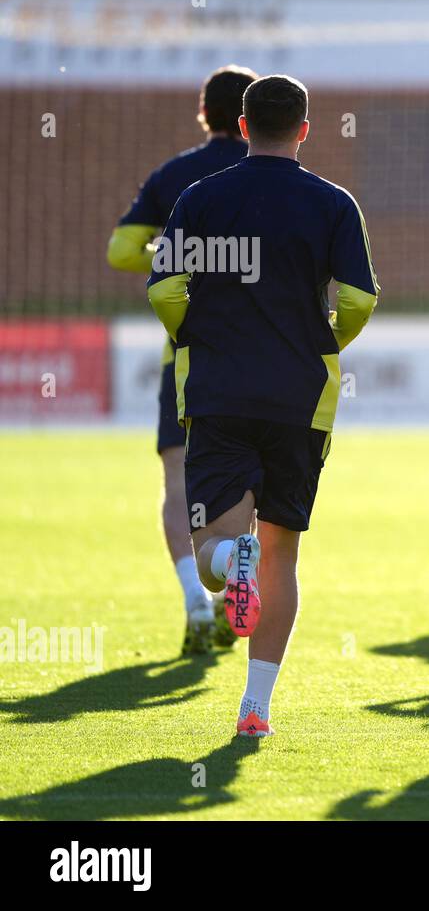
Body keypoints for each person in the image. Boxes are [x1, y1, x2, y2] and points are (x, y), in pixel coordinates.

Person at [146, 74, 379, 737]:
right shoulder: (333, 204)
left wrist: (192, 331)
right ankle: (256, 708)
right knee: (282, 553)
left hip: (220, 393)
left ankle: (227, 562)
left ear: (242, 127)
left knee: (216, 547)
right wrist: (323, 339)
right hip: (300, 398)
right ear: (304, 129)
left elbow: (165, 290)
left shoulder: (199, 197)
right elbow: (359, 300)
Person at [107, 64, 258, 655]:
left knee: (178, 478)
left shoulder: (176, 175)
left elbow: (121, 250)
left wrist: (171, 249)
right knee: (251, 481)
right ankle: (235, 583)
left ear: (205, 113)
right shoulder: (272, 175)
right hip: (268, 354)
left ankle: (198, 604)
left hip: (191, 356)